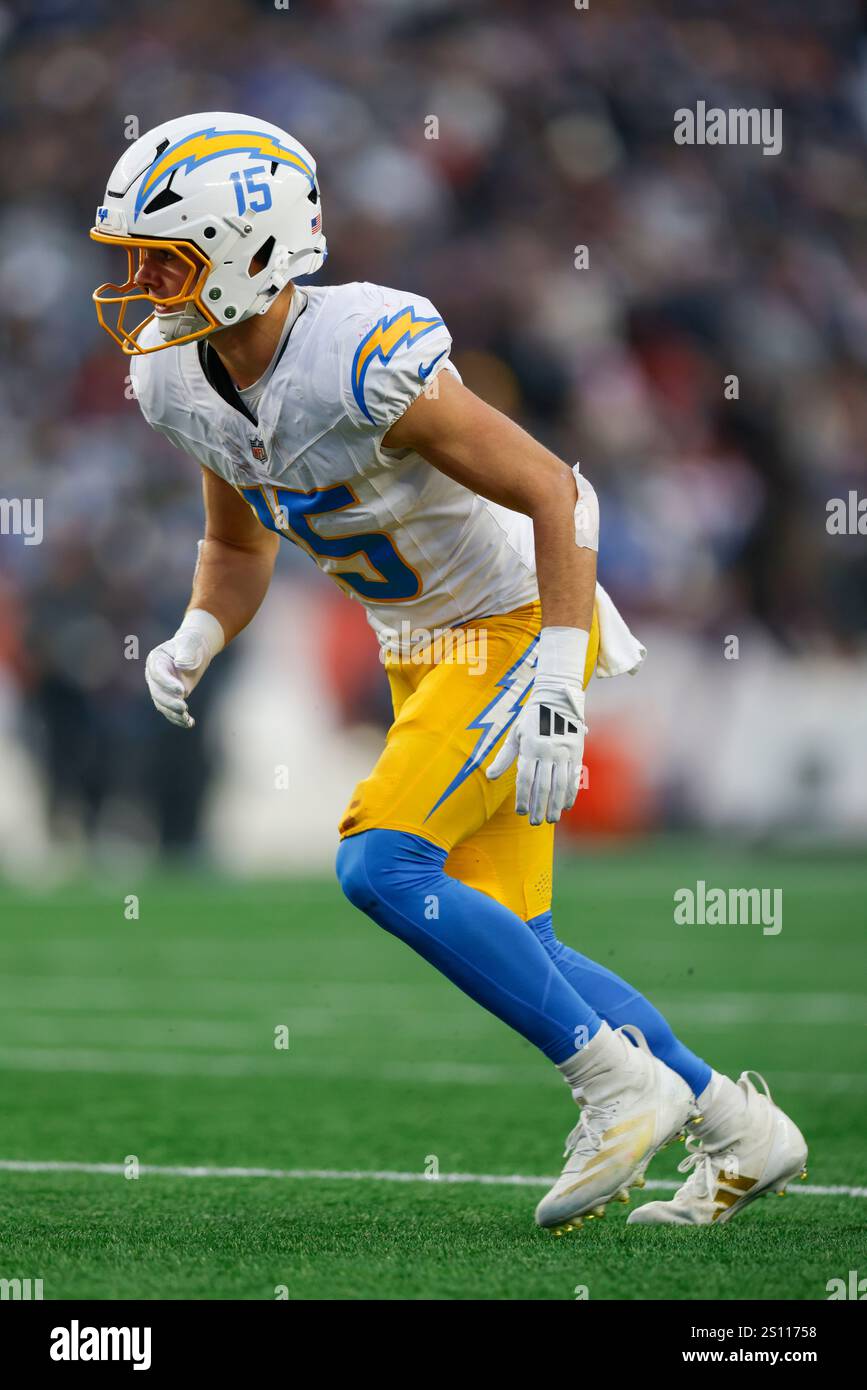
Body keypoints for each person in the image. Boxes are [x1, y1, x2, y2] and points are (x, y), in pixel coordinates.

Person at [90, 111, 807, 1231]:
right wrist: (197, 631)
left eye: (162, 257)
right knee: (524, 936)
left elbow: (560, 493)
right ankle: (738, 1126)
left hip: (514, 620)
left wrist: (560, 679)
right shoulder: (180, 381)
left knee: (380, 863)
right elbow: (238, 544)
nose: (139, 283)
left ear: (252, 248)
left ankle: (618, 1083)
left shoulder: (358, 351)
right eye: (133, 258)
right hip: (418, 650)